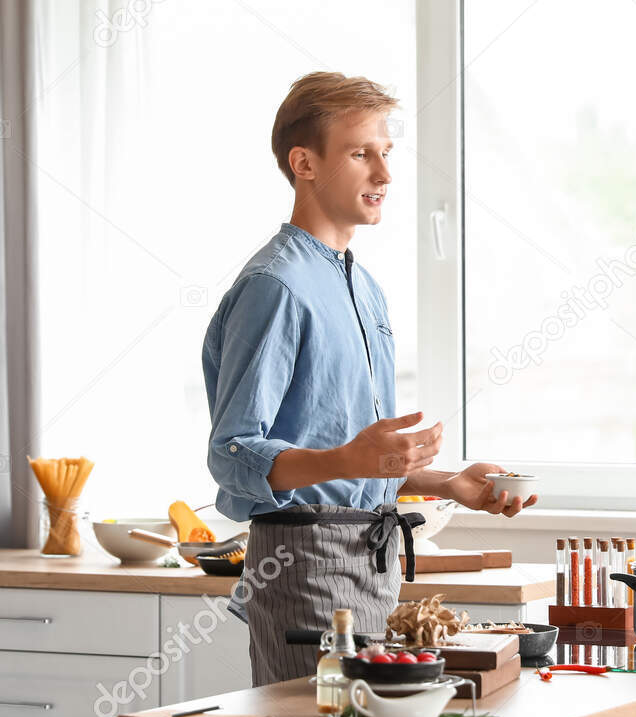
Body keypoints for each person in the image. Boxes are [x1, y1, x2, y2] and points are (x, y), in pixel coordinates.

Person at [203, 71, 536, 686]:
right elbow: (233, 454)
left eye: (386, 153)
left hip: (371, 557)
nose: (384, 174)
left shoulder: (363, 287)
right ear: (304, 163)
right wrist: (351, 459)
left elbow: (352, 455)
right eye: (362, 154)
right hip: (302, 563)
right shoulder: (274, 288)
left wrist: (444, 481)